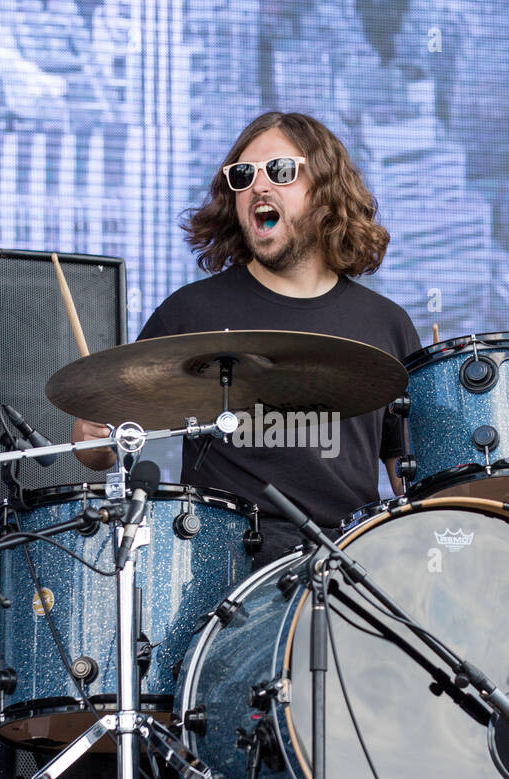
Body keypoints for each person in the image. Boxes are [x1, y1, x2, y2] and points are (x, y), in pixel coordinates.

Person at [74, 111, 420, 566]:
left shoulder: (387, 325)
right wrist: (93, 439)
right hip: (221, 569)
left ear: (327, 191)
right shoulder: (192, 312)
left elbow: (410, 477)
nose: (259, 186)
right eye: (242, 176)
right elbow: (107, 443)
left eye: (281, 171)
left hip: (350, 565)